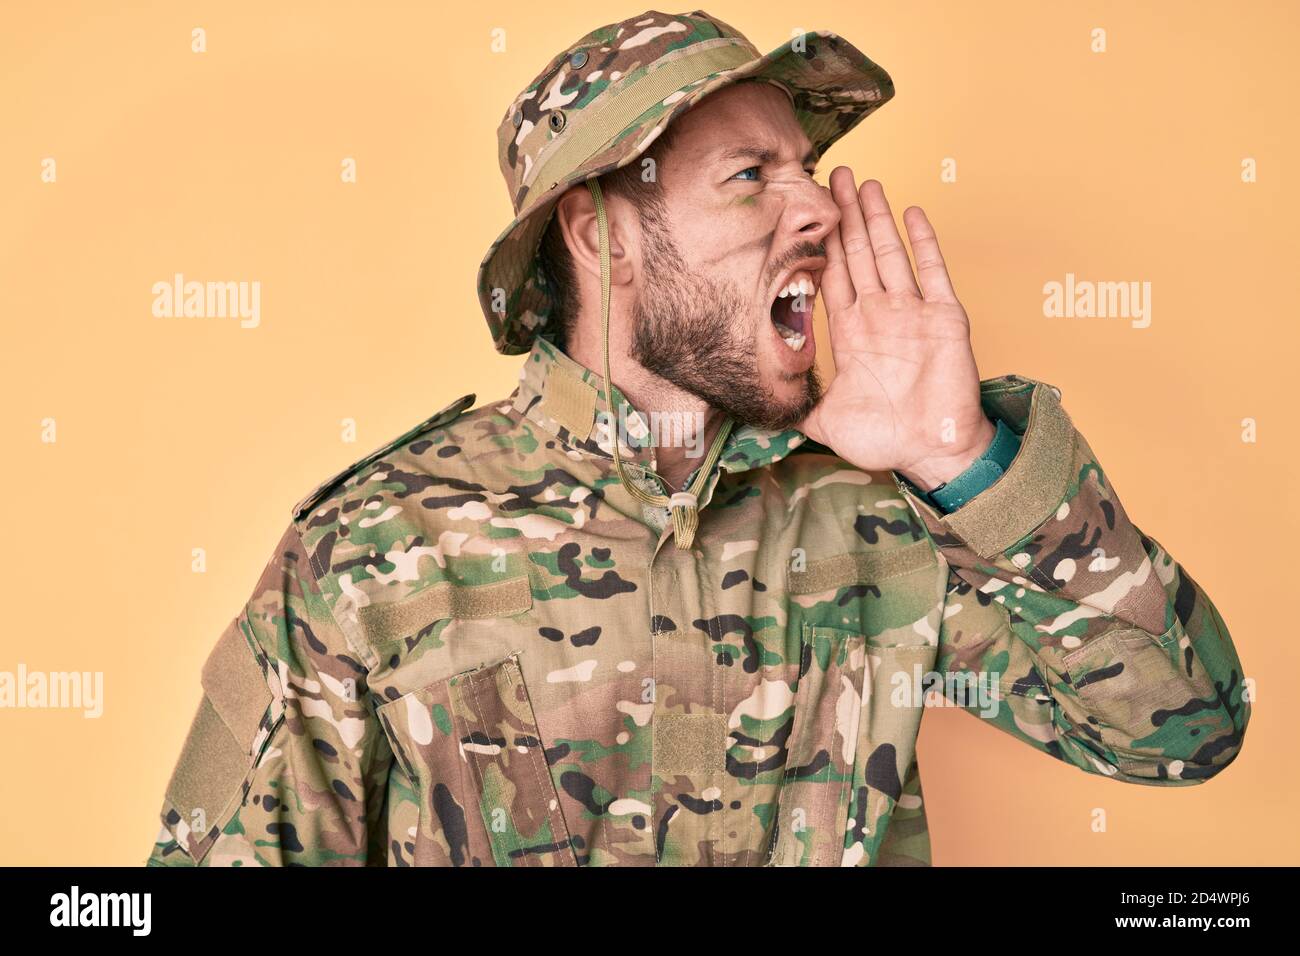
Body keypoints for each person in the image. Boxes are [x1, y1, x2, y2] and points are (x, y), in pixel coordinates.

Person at [147, 9, 1249, 867]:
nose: (815, 210)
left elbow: (1182, 728)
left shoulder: (875, 514)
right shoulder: (372, 550)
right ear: (599, 232)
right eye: (750, 178)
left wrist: (960, 456)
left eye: (807, 171)